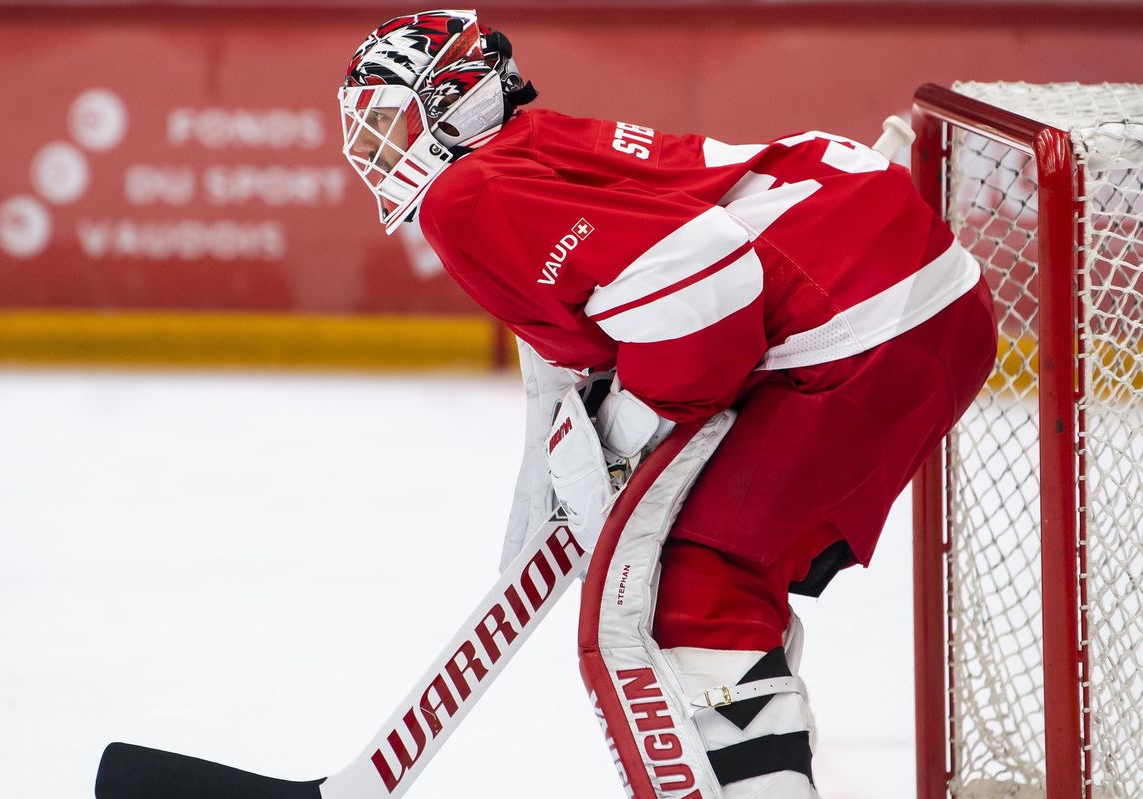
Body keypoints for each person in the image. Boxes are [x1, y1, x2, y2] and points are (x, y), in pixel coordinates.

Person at [338, 10, 997, 798]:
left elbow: (707, 286)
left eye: (385, 123)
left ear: (450, 101)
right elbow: (570, 350)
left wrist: (625, 435)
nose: (373, 153)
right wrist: (536, 518)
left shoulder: (466, 196)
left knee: (693, 588)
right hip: (902, 292)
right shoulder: (523, 151)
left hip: (864, 317)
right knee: (705, 576)